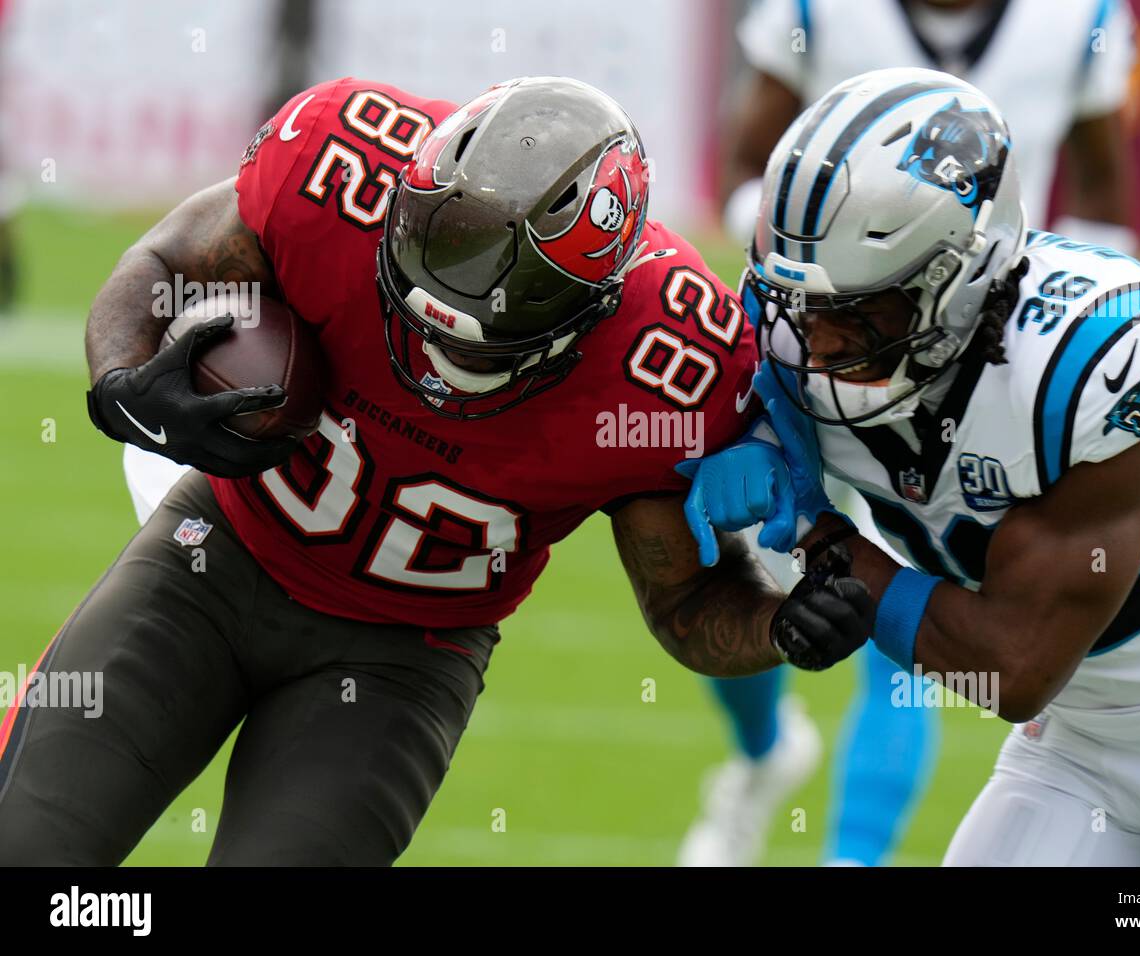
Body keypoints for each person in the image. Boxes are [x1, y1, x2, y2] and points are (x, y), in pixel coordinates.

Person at [0, 75, 872, 865]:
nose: (434, 320)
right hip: (210, 562)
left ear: (597, 306)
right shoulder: (340, 168)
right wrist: (122, 379)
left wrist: (780, 626)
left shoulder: (667, 361)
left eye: (486, 310)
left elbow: (687, 607)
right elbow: (161, 261)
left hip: (400, 660)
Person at [681, 67, 1140, 866]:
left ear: (961, 279)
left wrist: (818, 536)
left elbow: (1011, 670)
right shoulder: (788, 345)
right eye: (805, 307)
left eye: (860, 311)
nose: (821, 347)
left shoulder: (1093, 356)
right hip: (1084, 743)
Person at [681, 0, 1140, 867]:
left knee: (898, 615)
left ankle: (853, 860)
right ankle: (763, 747)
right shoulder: (817, 10)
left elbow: (1103, 198)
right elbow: (746, 171)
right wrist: (831, 276)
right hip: (820, 343)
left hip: (976, 373)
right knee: (727, 551)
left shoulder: (1078, 17)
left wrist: (1067, 355)